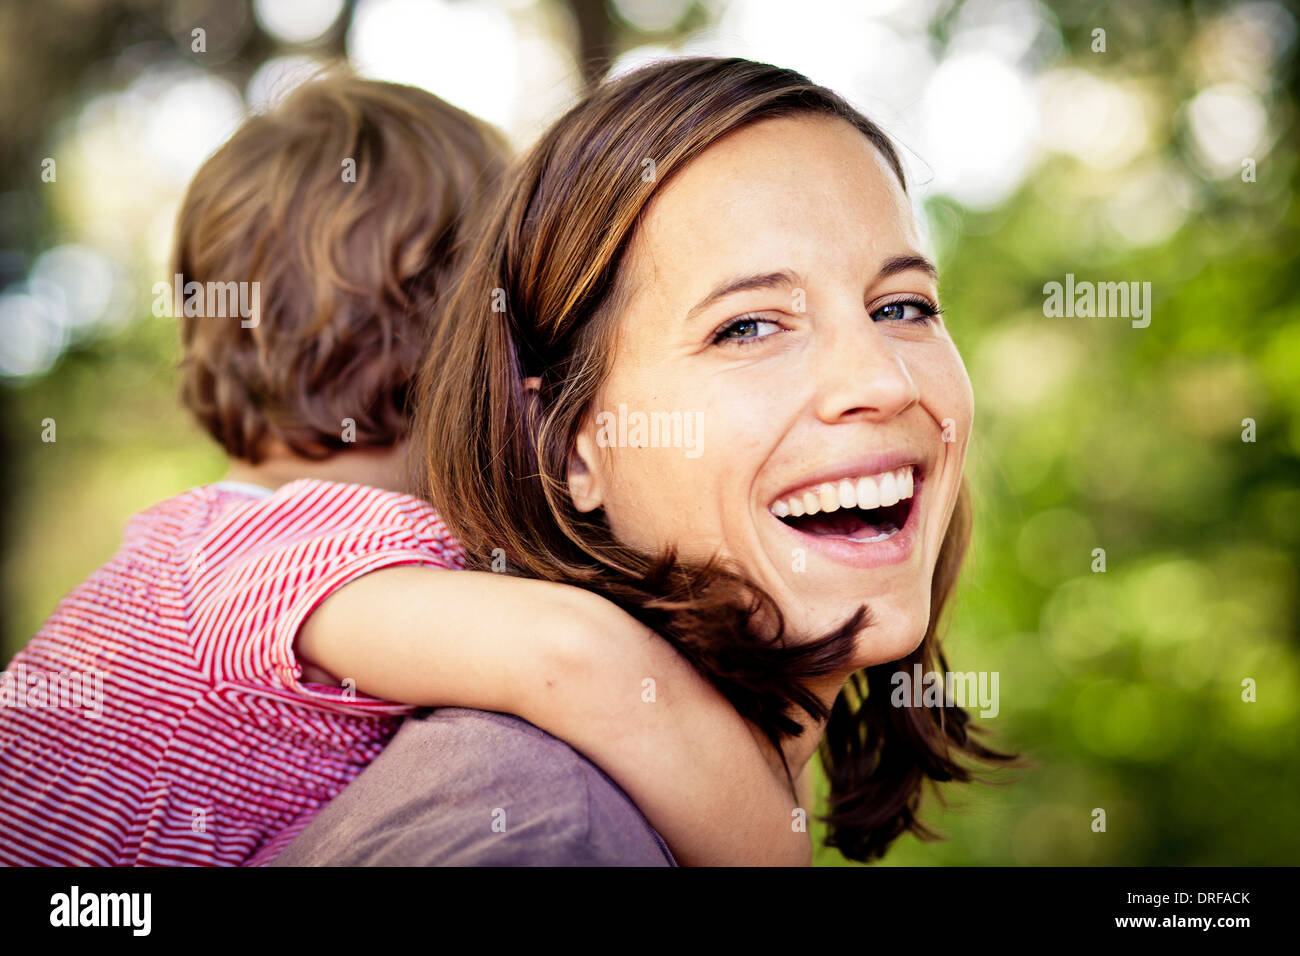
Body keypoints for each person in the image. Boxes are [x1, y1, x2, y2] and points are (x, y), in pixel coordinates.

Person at [0, 69, 809, 868]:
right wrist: (774, 844)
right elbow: (574, 656)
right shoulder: (289, 554)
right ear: (467, 327)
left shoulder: (208, 543)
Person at [279, 56, 1018, 867]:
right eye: (748, 327)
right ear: (568, 445)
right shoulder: (537, 837)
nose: (884, 379)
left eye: (902, 306)